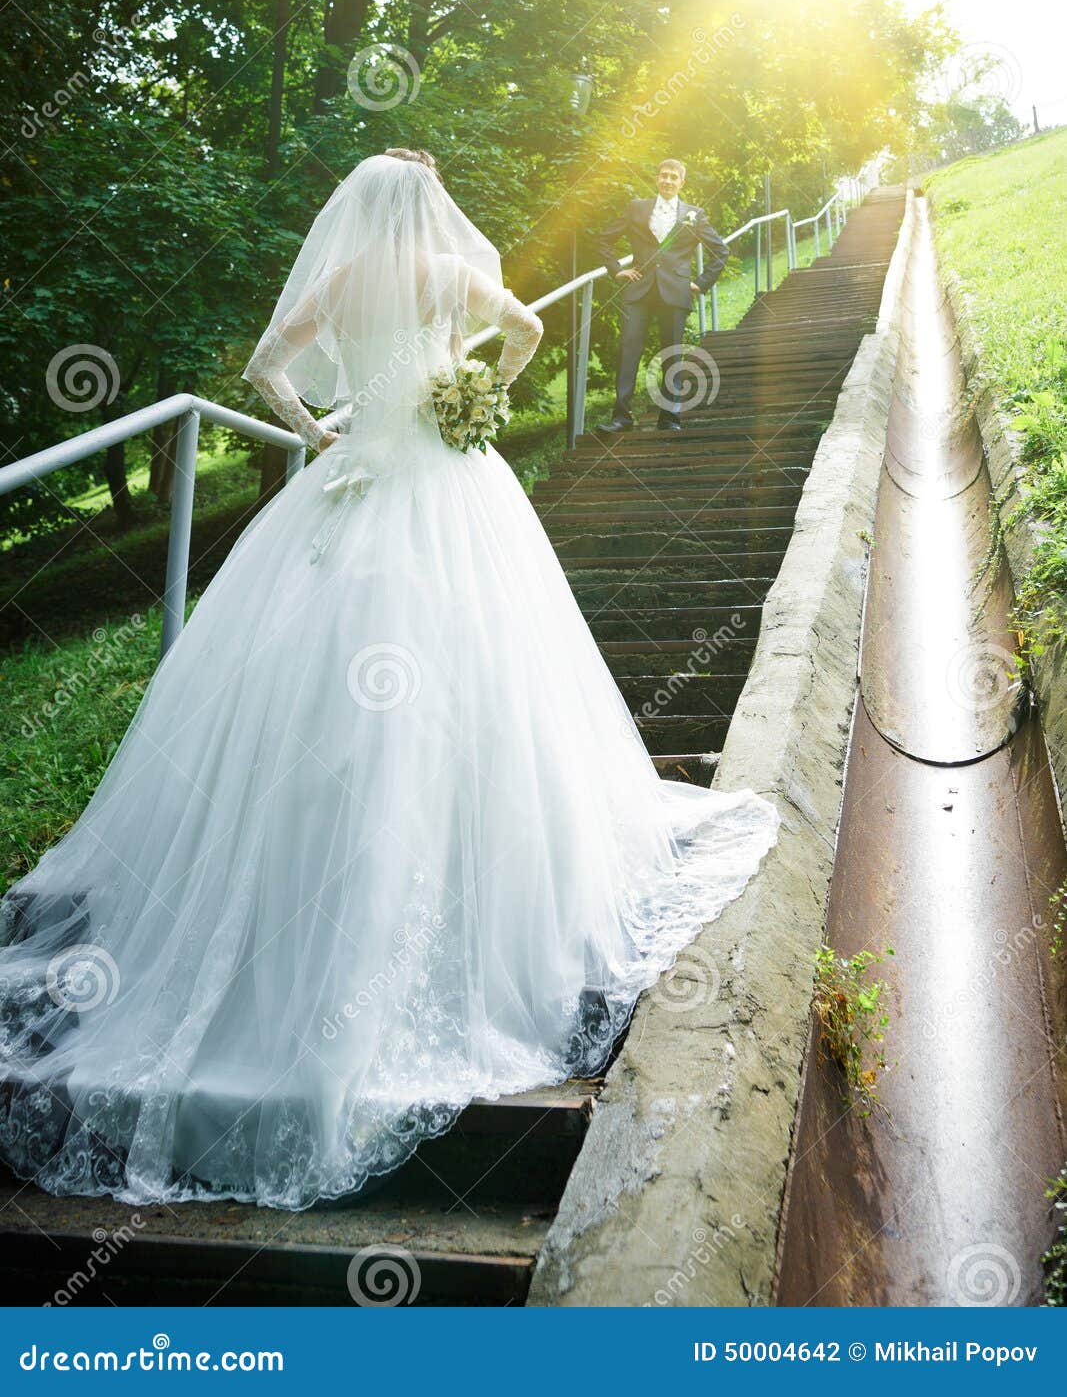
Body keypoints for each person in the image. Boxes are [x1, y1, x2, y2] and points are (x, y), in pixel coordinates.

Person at [0, 150, 777, 1211]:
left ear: (356, 209)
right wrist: (474, 392)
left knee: (308, 691)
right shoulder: (448, 276)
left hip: (354, 479)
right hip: (448, 481)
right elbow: (532, 330)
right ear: (430, 205)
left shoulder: (343, 277)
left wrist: (318, 429)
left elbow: (268, 364)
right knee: (479, 673)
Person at [596, 158, 728, 434]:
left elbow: (720, 251)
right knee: (628, 348)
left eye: (673, 177)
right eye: (664, 175)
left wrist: (700, 284)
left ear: (682, 183)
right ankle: (622, 418)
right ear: (657, 179)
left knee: (672, 352)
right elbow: (604, 238)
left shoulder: (695, 214)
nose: (668, 181)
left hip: (675, 290)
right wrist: (617, 270)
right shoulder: (636, 208)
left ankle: (669, 418)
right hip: (639, 288)